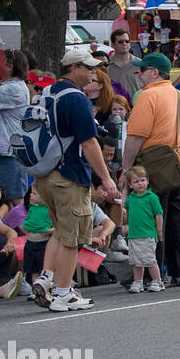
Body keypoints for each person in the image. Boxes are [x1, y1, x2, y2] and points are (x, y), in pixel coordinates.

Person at [28, 48, 120, 312]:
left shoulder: (46, 93)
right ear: (73, 68)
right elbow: (90, 143)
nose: (93, 72)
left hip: (45, 174)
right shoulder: (76, 99)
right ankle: (63, 292)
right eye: (88, 67)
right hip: (68, 174)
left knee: (61, 230)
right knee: (72, 238)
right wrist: (105, 178)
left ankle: (48, 279)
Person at [122, 52, 180, 286]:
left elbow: (135, 136)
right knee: (176, 217)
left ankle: (153, 274)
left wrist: (126, 169)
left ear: (154, 73)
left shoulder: (147, 95)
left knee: (152, 217)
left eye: (142, 70)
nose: (139, 74)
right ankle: (179, 270)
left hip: (159, 162)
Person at [0, 48, 31, 207]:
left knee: (13, 199)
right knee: (0, 200)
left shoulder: (13, 88)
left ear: (9, 65)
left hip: (7, 152)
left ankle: (20, 230)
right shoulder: (5, 85)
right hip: (0, 151)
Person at [123, 165, 165, 293]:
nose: (140, 183)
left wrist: (159, 231)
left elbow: (159, 214)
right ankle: (138, 282)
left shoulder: (152, 197)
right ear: (130, 185)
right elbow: (126, 211)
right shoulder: (131, 199)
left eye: (142, 180)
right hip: (134, 235)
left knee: (150, 260)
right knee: (136, 262)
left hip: (148, 234)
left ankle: (158, 281)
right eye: (136, 181)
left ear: (147, 180)